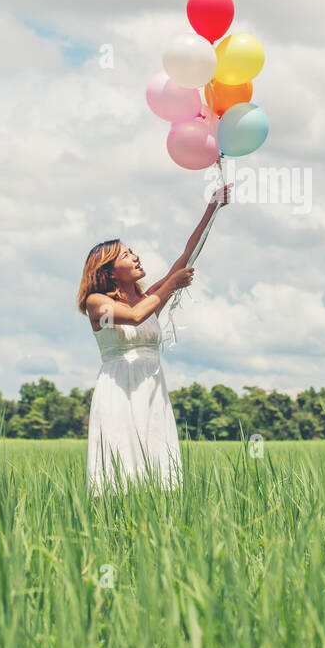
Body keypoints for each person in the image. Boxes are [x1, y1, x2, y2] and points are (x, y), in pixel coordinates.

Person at [77, 185, 230, 493]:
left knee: (157, 470)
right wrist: (171, 284)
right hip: (119, 390)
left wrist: (211, 210)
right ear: (108, 270)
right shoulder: (96, 302)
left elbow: (187, 256)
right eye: (125, 254)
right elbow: (134, 317)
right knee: (117, 471)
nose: (135, 256)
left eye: (132, 251)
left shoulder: (148, 299)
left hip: (152, 389)